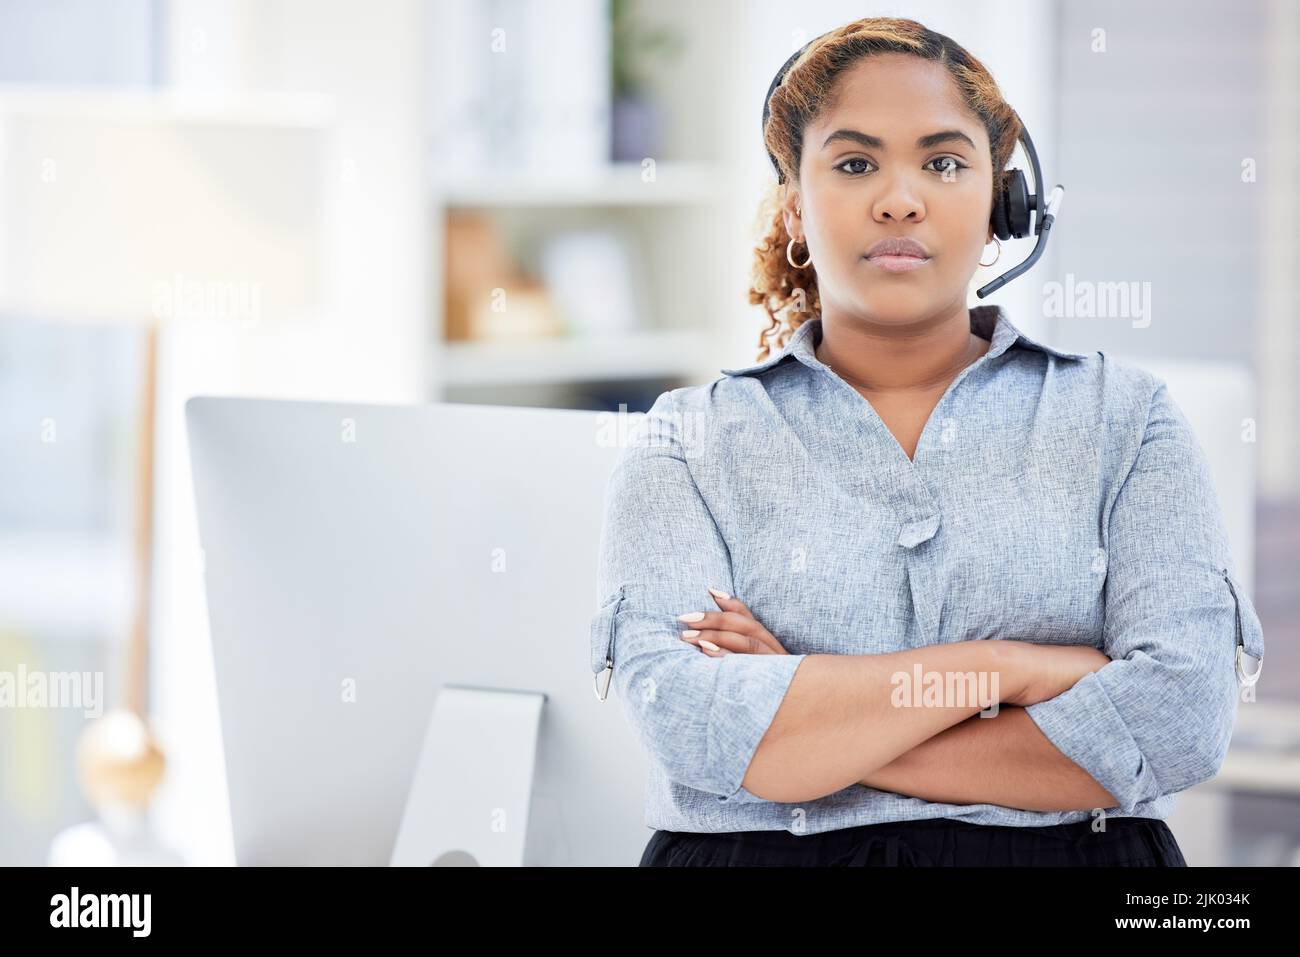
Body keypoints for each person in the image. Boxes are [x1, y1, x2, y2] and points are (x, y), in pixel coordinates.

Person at [590, 15, 1264, 867]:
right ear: (796, 206)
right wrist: (1011, 668)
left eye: (944, 163)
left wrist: (813, 731)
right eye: (855, 162)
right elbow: (693, 727)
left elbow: (1180, 715)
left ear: (1000, 209)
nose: (900, 197)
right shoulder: (686, 440)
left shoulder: (1127, 419)